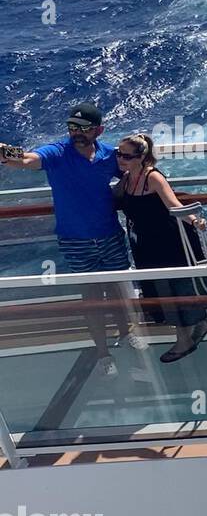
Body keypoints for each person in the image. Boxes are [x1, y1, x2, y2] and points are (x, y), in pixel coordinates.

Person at [0, 103, 144, 376]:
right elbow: (28, 160)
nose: (76, 133)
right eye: (72, 127)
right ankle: (103, 352)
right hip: (75, 240)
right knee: (91, 297)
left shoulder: (108, 155)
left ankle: (126, 333)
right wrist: (3, 152)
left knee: (117, 290)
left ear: (98, 131)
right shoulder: (57, 152)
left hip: (110, 235)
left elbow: (133, 173)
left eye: (83, 128)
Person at [116, 133, 207, 362]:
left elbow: (173, 204)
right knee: (161, 289)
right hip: (146, 245)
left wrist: (195, 220)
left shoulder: (153, 178)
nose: (121, 159)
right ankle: (198, 326)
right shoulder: (127, 178)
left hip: (169, 242)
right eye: (118, 154)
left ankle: (184, 340)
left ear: (141, 157)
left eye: (126, 156)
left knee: (175, 288)